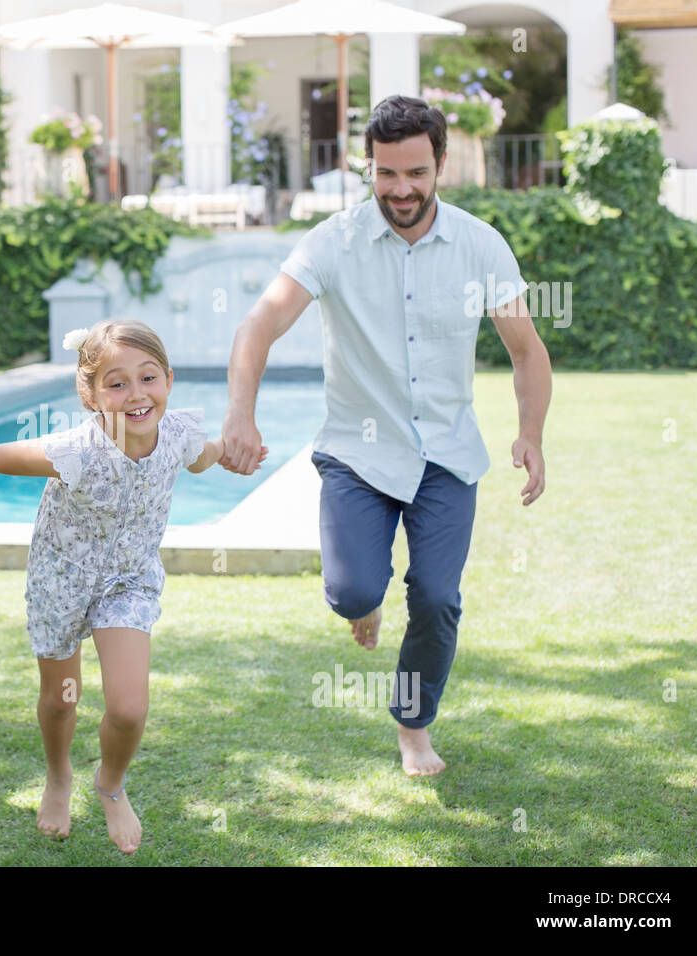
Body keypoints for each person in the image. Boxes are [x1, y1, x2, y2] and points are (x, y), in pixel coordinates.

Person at [221, 95, 552, 776]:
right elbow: (259, 323)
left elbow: (526, 348)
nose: (401, 190)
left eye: (416, 174)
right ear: (367, 168)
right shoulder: (331, 242)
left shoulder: (479, 245)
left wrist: (530, 433)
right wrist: (239, 413)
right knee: (351, 592)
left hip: (445, 457)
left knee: (435, 598)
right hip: (357, 455)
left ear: (440, 165)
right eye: (386, 174)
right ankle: (364, 602)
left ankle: (414, 725)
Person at [0, 319, 258, 853]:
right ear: (92, 395)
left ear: (168, 379)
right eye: (116, 383)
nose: (136, 395)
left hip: (127, 583)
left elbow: (204, 456)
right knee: (60, 700)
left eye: (148, 378)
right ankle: (58, 775)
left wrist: (233, 457)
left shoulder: (178, 436)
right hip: (61, 581)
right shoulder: (75, 451)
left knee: (128, 708)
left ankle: (110, 783)